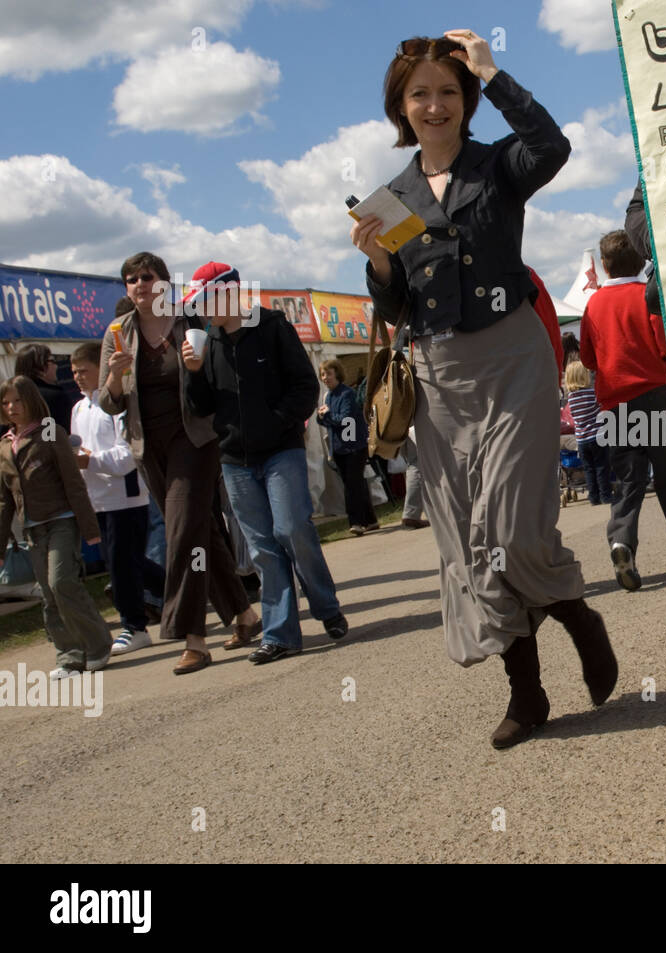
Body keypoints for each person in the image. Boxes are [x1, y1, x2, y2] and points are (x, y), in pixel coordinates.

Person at [351, 30, 617, 749]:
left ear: (465, 100)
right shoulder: (394, 198)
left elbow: (553, 146)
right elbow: (399, 307)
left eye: (447, 91)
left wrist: (495, 73)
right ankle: (526, 693)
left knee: (512, 529)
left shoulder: (499, 164)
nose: (434, 105)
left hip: (513, 362)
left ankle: (575, 612)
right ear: (399, 108)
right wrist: (378, 265)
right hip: (439, 380)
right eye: (420, 94)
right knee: (472, 545)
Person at [99, 251, 261, 675]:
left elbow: (221, 371)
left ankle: (192, 637)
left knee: (181, 530)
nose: (138, 284)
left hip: (195, 439)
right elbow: (107, 401)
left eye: (147, 276)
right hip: (149, 449)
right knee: (200, 530)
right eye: (130, 279)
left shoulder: (189, 320)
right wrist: (115, 378)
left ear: (164, 282)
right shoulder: (117, 332)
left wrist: (198, 365)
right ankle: (243, 615)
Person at [182, 261, 349, 664]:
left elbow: (305, 386)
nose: (202, 310)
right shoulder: (207, 342)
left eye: (205, 299)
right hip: (235, 460)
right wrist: (193, 373)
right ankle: (280, 635)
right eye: (197, 303)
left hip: (281, 450)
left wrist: (277, 423)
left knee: (292, 529)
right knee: (262, 548)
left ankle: (326, 607)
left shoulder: (272, 327)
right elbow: (200, 406)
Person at [580, 230, 666, 591]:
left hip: (616, 402)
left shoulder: (594, 305)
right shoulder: (646, 295)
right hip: (655, 394)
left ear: (604, 266)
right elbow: (665, 346)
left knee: (629, 480)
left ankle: (622, 541)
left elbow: (588, 358)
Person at [0, 376, 112, 678]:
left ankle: (99, 646)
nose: (12, 407)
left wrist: (89, 528)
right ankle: (70, 655)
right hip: (31, 529)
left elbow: (73, 483)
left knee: (62, 581)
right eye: (6, 402)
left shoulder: (50, 432)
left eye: (18, 400)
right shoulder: (4, 446)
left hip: (62, 520)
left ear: (31, 400)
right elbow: (4, 501)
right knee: (49, 593)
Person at [69, 341, 165, 655]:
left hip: (126, 497)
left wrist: (90, 461)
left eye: (84, 370)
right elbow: (80, 450)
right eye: (73, 372)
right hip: (97, 499)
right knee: (129, 562)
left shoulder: (117, 403)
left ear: (102, 368)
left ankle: (134, 626)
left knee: (122, 566)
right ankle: (182, 592)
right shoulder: (78, 408)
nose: (78, 377)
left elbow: (127, 456)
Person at [316, 359, 378, 536]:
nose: (325, 377)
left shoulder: (347, 394)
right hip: (339, 447)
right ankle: (371, 520)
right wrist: (322, 416)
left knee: (352, 485)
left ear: (337, 373)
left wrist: (327, 415)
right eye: (323, 374)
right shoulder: (327, 396)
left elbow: (345, 420)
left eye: (328, 373)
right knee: (355, 483)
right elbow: (323, 420)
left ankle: (356, 522)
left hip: (354, 446)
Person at [563, 361, 613, 505]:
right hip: (596, 436)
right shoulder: (592, 394)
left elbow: (573, 416)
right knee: (602, 466)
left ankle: (593, 497)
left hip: (581, 440)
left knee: (588, 469)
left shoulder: (571, 399)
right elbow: (601, 406)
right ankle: (606, 495)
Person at [15, 343, 75, 432]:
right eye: (52, 361)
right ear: (40, 365)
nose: (56, 366)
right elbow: (64, 433)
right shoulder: (56, 397)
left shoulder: (10, 395)